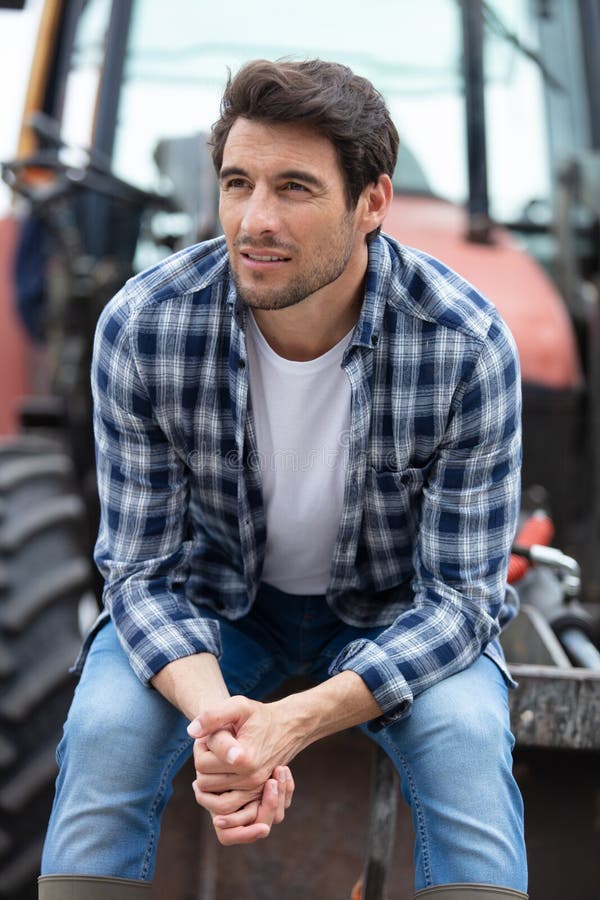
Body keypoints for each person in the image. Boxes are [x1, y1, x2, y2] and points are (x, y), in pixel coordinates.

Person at [39, 59, 528, 900]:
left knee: (466, 738)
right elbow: (141, 572)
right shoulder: (145, 326)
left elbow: (460, 601)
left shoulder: (465, 345)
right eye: (237, 183)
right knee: (108, 727)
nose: (254, 220)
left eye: (295, 187)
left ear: (372, 202)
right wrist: (221, 722)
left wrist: (289, 725)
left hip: (397, 613)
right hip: (214, 608)